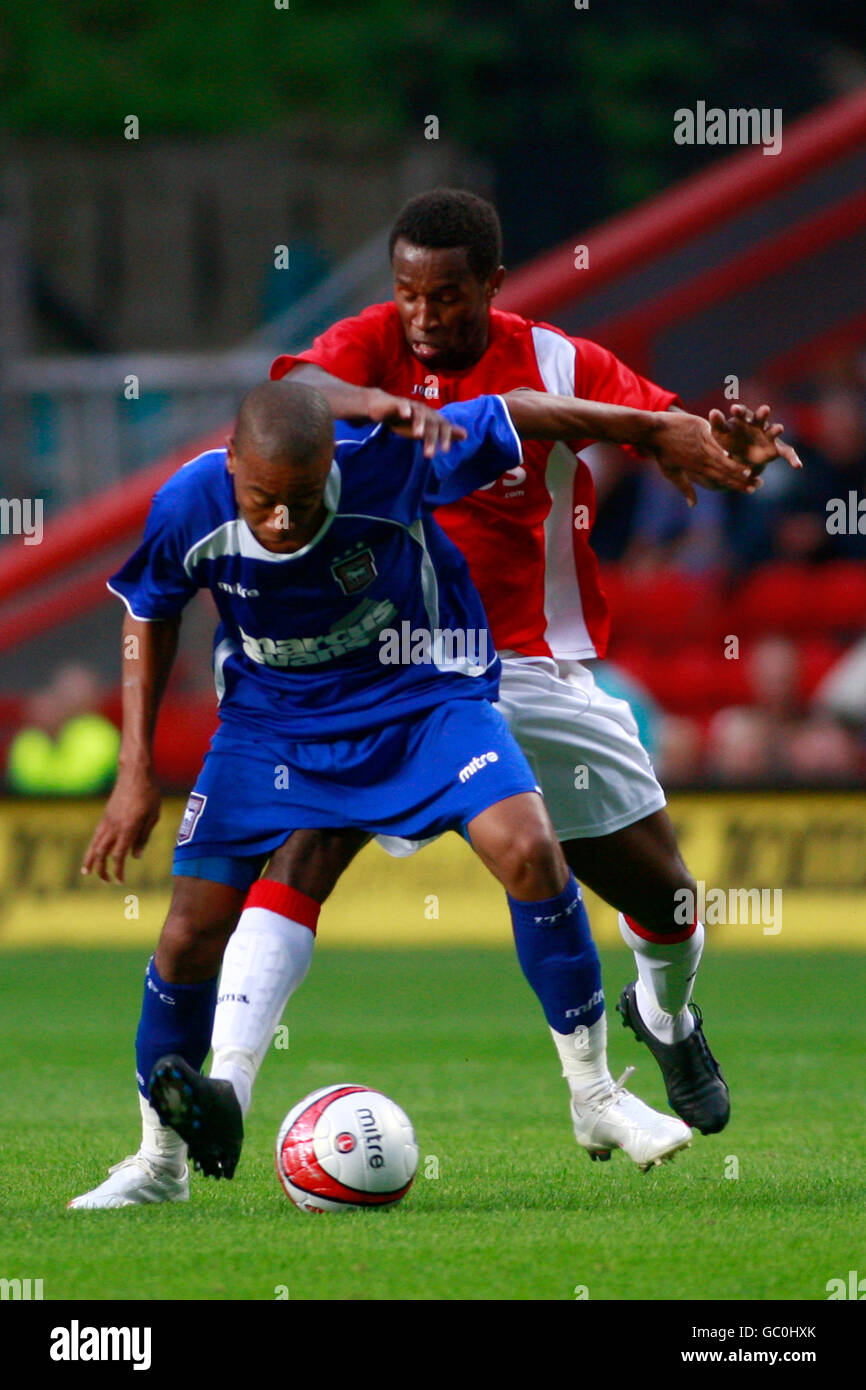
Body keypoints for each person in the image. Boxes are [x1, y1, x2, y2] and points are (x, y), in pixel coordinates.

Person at [68, 377, 750, 1208]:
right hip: (273, 726)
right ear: (231, 461)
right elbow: (150, 610)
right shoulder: (187, 501)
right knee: (186, 935)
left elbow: (521, 414)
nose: (281, 521)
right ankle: (160, 1165)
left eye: (302, 496)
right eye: (261, 498)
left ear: (332, 462)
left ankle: (596, 1095)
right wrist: (135, 770)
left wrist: (649, 427)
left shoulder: (393, 461)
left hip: (425, 699)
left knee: (530, 850)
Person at [237, 189, 800, 1142]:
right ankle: (225, 1091)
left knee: (666, 899)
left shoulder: (559, 363)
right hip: (395, 661)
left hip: (529, 666)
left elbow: (664, 426)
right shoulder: (371, 344)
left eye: (448, 296)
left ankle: (665, 1015)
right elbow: (292, 400)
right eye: (409, 293)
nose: (425, 316)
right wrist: (382, 406)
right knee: (304, 845)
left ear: (492, 286)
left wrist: (727, 451)